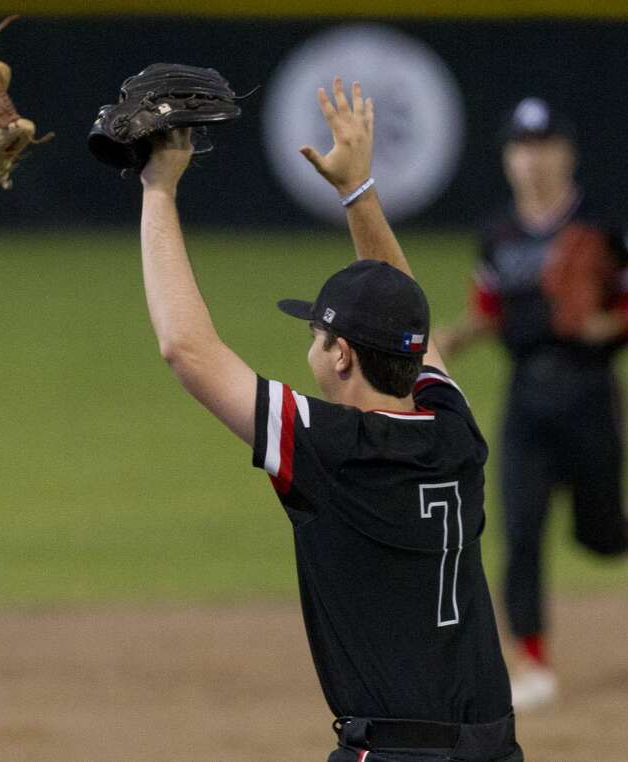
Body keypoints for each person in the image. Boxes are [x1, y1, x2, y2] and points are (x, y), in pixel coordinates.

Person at [136, 78, 521, 761]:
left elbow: (187, 351)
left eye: (315, 334)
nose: (308, 344)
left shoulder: (333, 449)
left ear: (342, 355)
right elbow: (412, 324)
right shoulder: (454, 432)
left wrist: (159, 188)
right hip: (492, 745)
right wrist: (358, 192)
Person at [437, 96, 628, 710]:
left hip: (591, 393)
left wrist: (612, 325)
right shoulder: (497, 234)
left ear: (566, 154)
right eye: (520, 147)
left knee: (596, 536)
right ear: (507, 158)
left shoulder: (603, 226)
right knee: (520, 530)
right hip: (526, 399)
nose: (531, 159)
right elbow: (491, 306)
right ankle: (533, 659)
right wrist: (456, 339)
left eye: (542, 146)